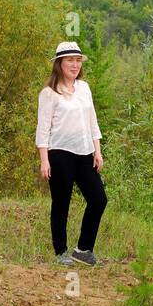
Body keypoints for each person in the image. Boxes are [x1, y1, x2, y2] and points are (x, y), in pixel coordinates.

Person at [36, 41, 107, 266]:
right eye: (70, 60)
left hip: (85, 152)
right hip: (60, 153)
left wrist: (98, 151)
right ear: (60, 64)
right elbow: (43, 128)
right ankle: (61, 251)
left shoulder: (84, 88)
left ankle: (83, 249)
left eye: (77, 60)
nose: (75, 65)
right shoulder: (49, 93)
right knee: (61, 203)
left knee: (98, 199)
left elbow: (92, 121)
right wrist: (44, 160)